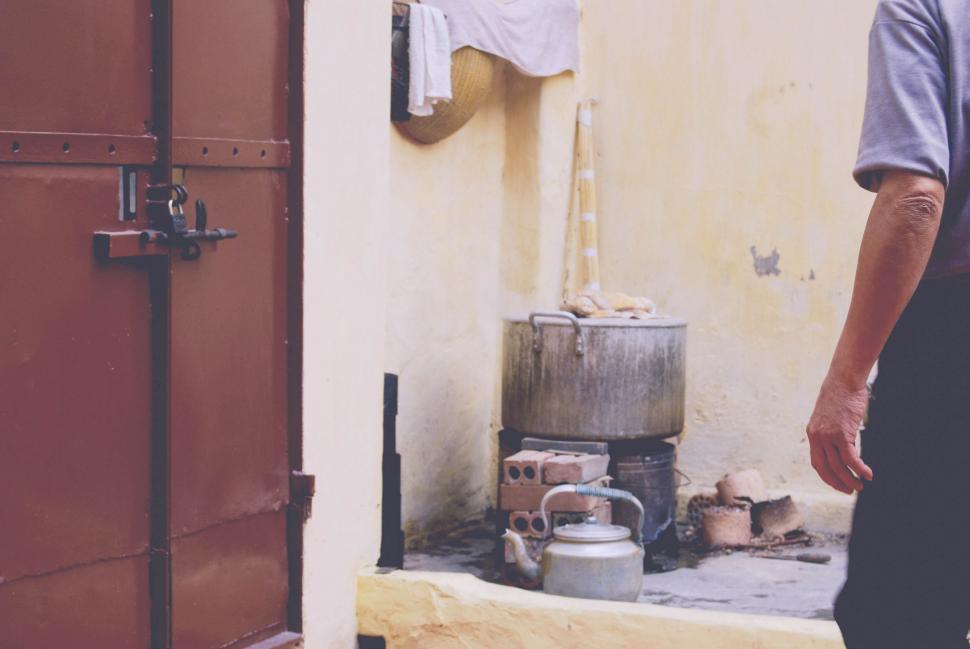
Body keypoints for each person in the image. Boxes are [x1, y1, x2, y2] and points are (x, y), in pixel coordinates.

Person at [806, 1, 970, 646]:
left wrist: (846, 381)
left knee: (902, 612)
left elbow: (915, 195)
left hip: (952, 341)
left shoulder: (925, 7)